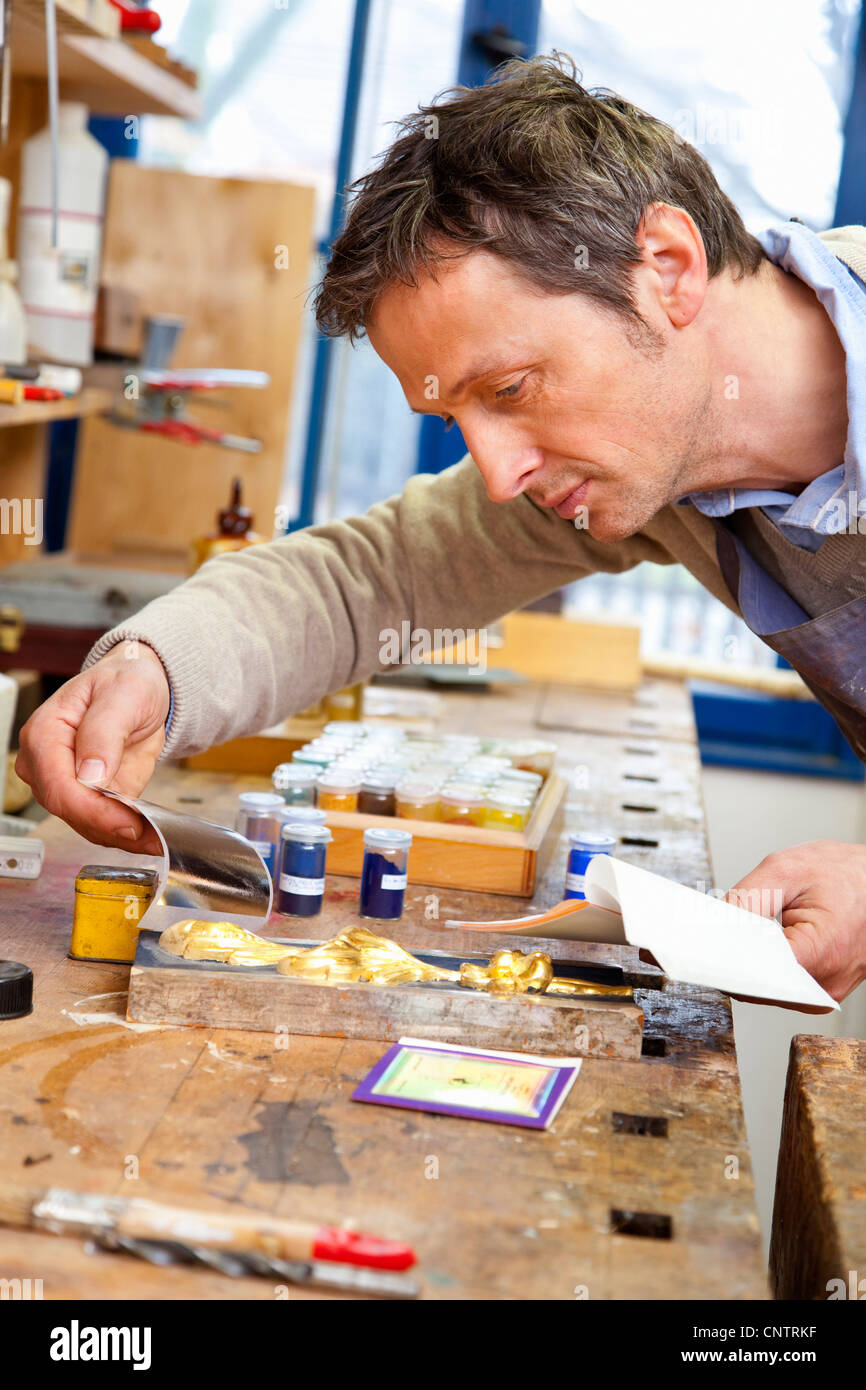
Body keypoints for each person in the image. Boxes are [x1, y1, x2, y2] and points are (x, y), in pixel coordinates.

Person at [16, 56, 866, 1002]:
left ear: (666, 269)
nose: (500, 476)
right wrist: (154, 672)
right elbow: (374, 583)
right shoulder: (660, 469)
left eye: (509, 389)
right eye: (459, 420)